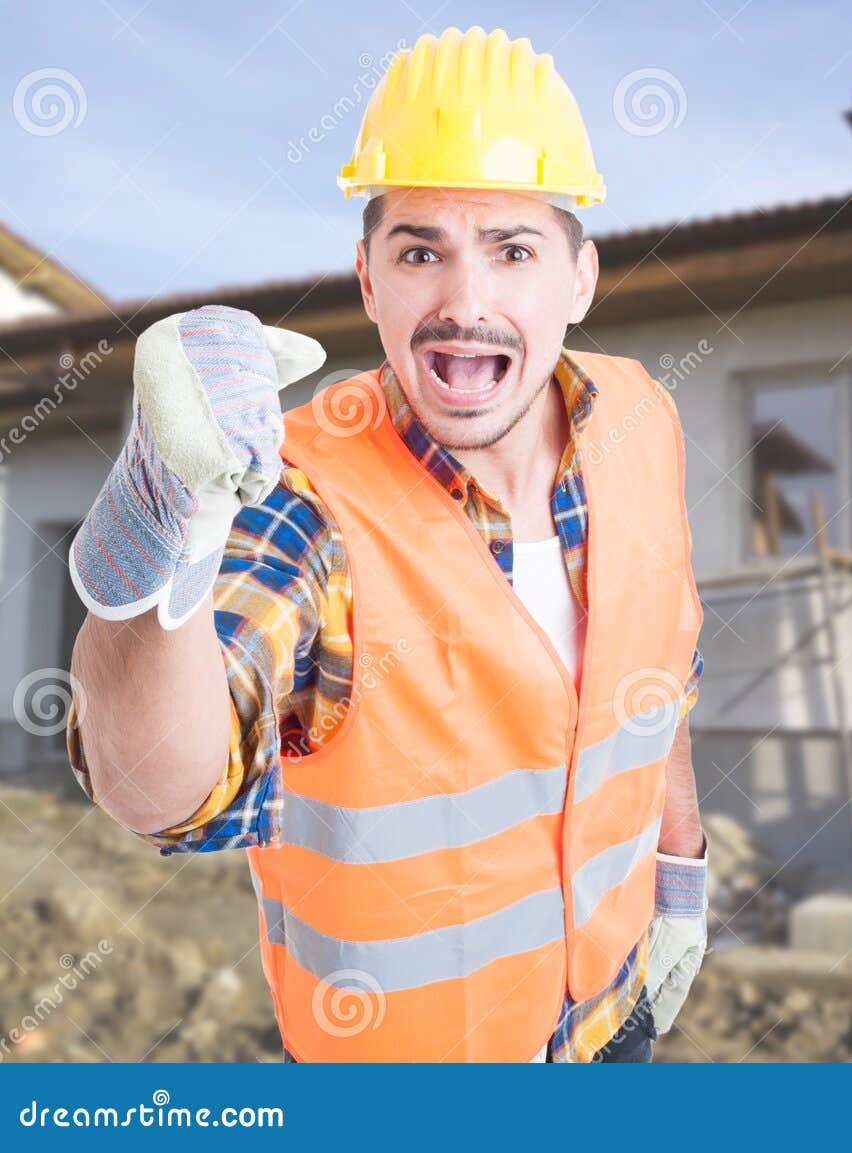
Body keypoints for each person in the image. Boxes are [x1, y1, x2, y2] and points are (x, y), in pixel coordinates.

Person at [64, 26, 709, 1063]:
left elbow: (663, 676)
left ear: (580, 278)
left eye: (513, 250)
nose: (465, 304)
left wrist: (680, 869)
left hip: (610, 1018)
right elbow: (158, 790)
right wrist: (160, 523)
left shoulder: (640, 418)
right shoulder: (302, 496)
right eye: (421, 251)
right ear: (369, 279)